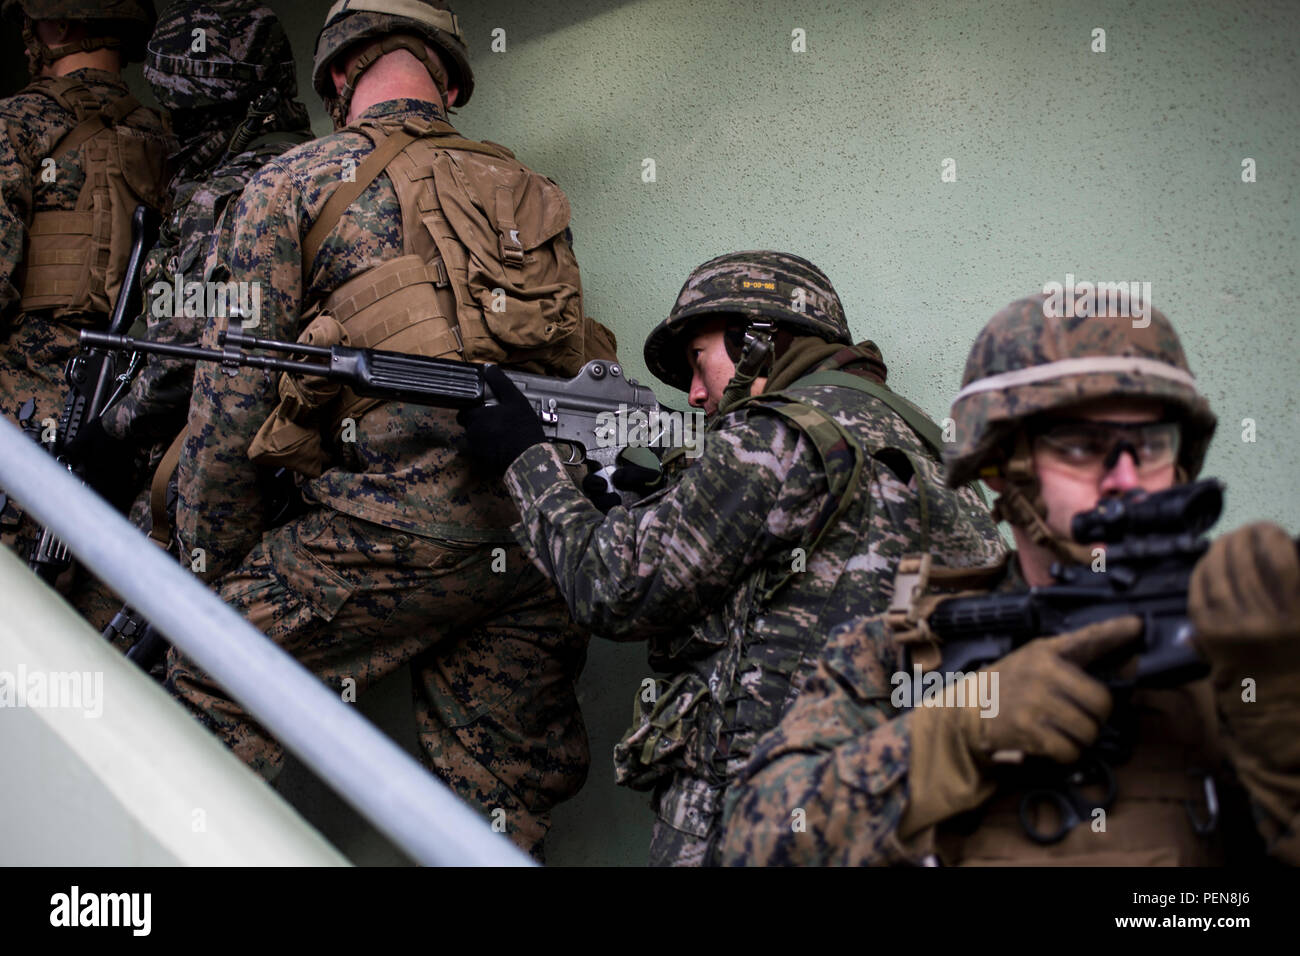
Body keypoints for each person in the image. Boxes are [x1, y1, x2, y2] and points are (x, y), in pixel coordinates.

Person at [165, 0, 618, 860]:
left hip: (389, 533)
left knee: (208, 676)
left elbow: (230, 400)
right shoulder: (526, 189)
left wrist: (204, 576)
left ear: (337, 78)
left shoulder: (289, 182)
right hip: (537, 542)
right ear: (450, 80)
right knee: (498, 808)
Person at [459, 250, 1005, 865]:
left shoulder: (776, 433)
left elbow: (610, 586)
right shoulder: (918, 439)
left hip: (762, 819)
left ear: (758, 342)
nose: (694, 395)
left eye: (699, 361)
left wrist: (523, 457)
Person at [718, 292, 1300, 865]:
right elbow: (754, 847)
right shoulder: (910, 653)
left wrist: (1276, 705)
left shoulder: (1252, 637)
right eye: (1081, 446)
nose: (1126, 479)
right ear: (1000, 468)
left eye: (1150, 446)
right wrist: (956, 734)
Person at [97, 0, 313, 599]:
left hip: (214, 476)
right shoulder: (313, 167)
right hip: (293, 468)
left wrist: (106, 432)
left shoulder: (229, 192)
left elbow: (177, 354)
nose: (174, 127)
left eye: (187, 113)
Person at [0, 0, 169, 595]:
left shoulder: (14, 123)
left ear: (60, 26)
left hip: (25, 426)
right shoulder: (166, 135)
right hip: (129, 419)